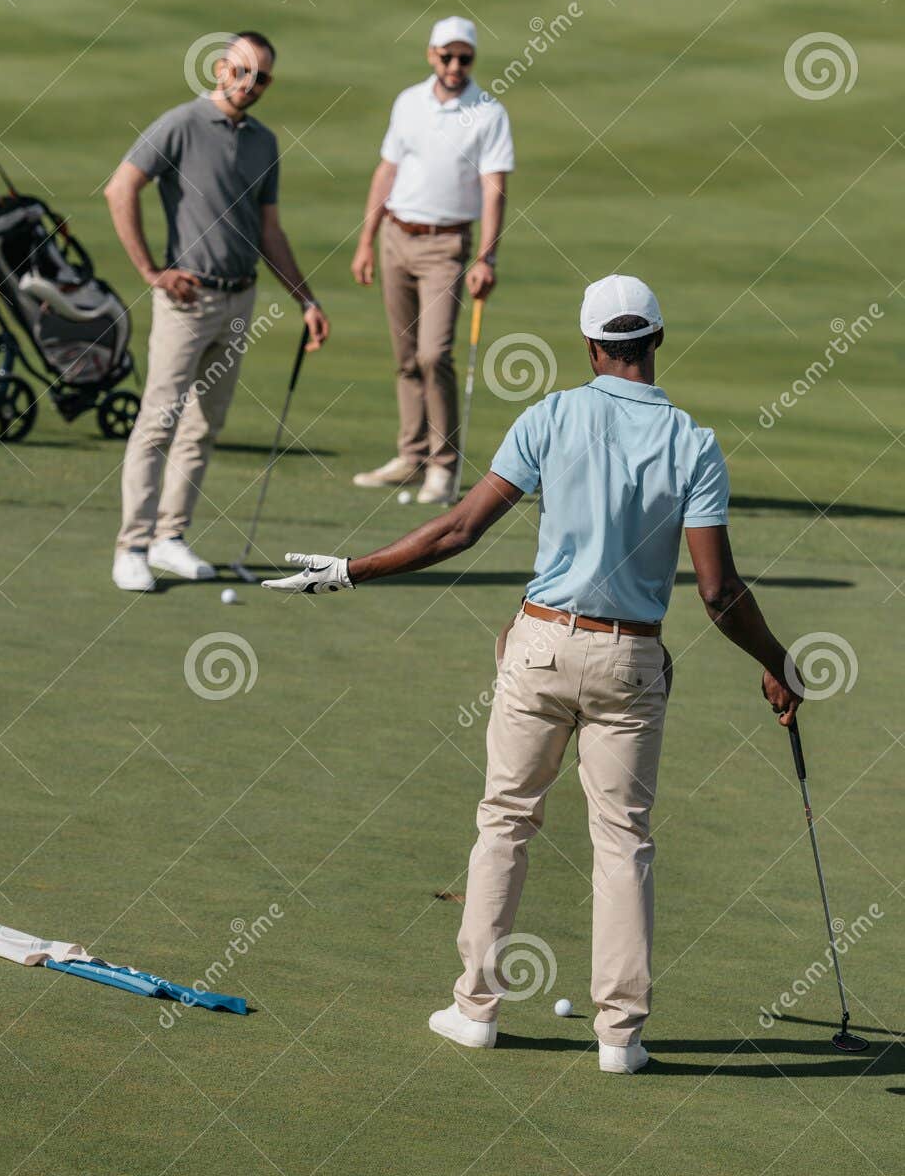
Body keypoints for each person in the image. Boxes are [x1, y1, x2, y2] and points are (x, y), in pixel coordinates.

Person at [263, 275, 803, 1073]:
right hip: (632, 661)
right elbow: (719, 593)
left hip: (541, 648)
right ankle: (620, 1037)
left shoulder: (550, 416)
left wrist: (351, 570)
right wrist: (777, 662)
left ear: (590, 346)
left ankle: (475, 1010)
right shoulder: (693, 442)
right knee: (623, 842)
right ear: (657, 340)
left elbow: (457, 531)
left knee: (506, 821)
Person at [105, 32, 329, 591]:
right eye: (242, 70)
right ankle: (132, 546)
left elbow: (269, 232)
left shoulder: (263, 142)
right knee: (159, 420)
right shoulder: (181, 124)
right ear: (221, 67)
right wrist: (151, 271)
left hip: (239, 298)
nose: (249, 84)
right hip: (186, 299)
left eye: (262, 77)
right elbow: (120, 189)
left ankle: (170, 536)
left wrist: (305, 299)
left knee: (204, 424)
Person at [350, 16, 514, 505]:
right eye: (447, 56)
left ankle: (443, 465)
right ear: (431, 55)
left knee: (433, 354)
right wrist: (366, 239)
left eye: (464, 57)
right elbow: (387, 171)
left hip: (447, 246)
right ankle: (411, 454)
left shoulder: (488, 112)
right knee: (406, 357)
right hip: (396, 236)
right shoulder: (408, 102)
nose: (455, 65)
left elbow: (494, 189)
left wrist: (487, 257)